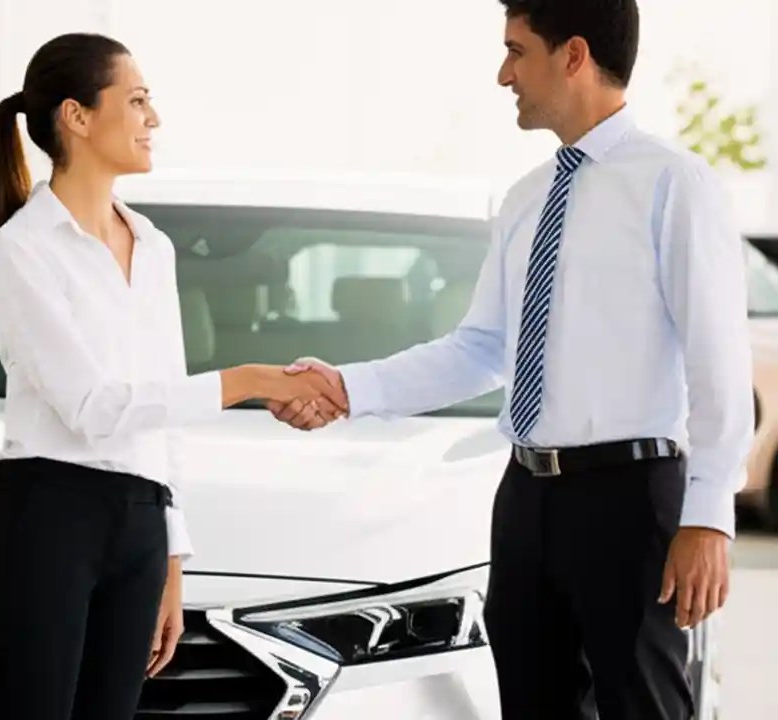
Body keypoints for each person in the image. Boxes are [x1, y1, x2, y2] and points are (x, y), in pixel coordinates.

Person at [271, 1, 751, 718]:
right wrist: (348, 386)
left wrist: (708, 516)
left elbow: (719, 361)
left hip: (630, 496)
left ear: (574, 55)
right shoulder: (527, 199)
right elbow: (481, 350)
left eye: (517, 51)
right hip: (526, 497)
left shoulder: (673, 184)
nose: (504, 75)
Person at [0, 32, 347, 720]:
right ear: (77, 117)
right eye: (138, 100)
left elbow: (162, 413)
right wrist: (246, 380)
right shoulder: (21, 250)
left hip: (140, 521)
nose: (154, 120)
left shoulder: (152, 244)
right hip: (52, 513)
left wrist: (173, 556)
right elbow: (92, 408)